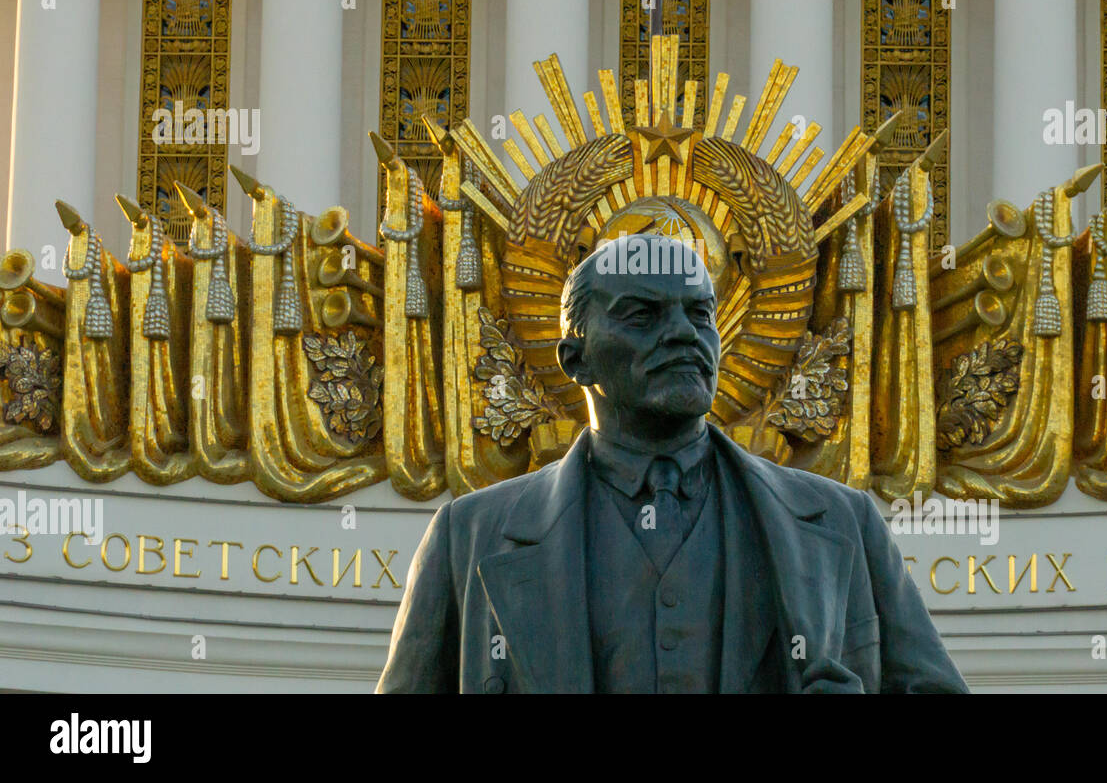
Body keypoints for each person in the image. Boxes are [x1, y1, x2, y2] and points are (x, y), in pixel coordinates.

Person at [376, 234, 968, 693]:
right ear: (576, 358)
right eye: (642, 315)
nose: (685, 334)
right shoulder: (469, 538)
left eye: (700, 314)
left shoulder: (844, 523)